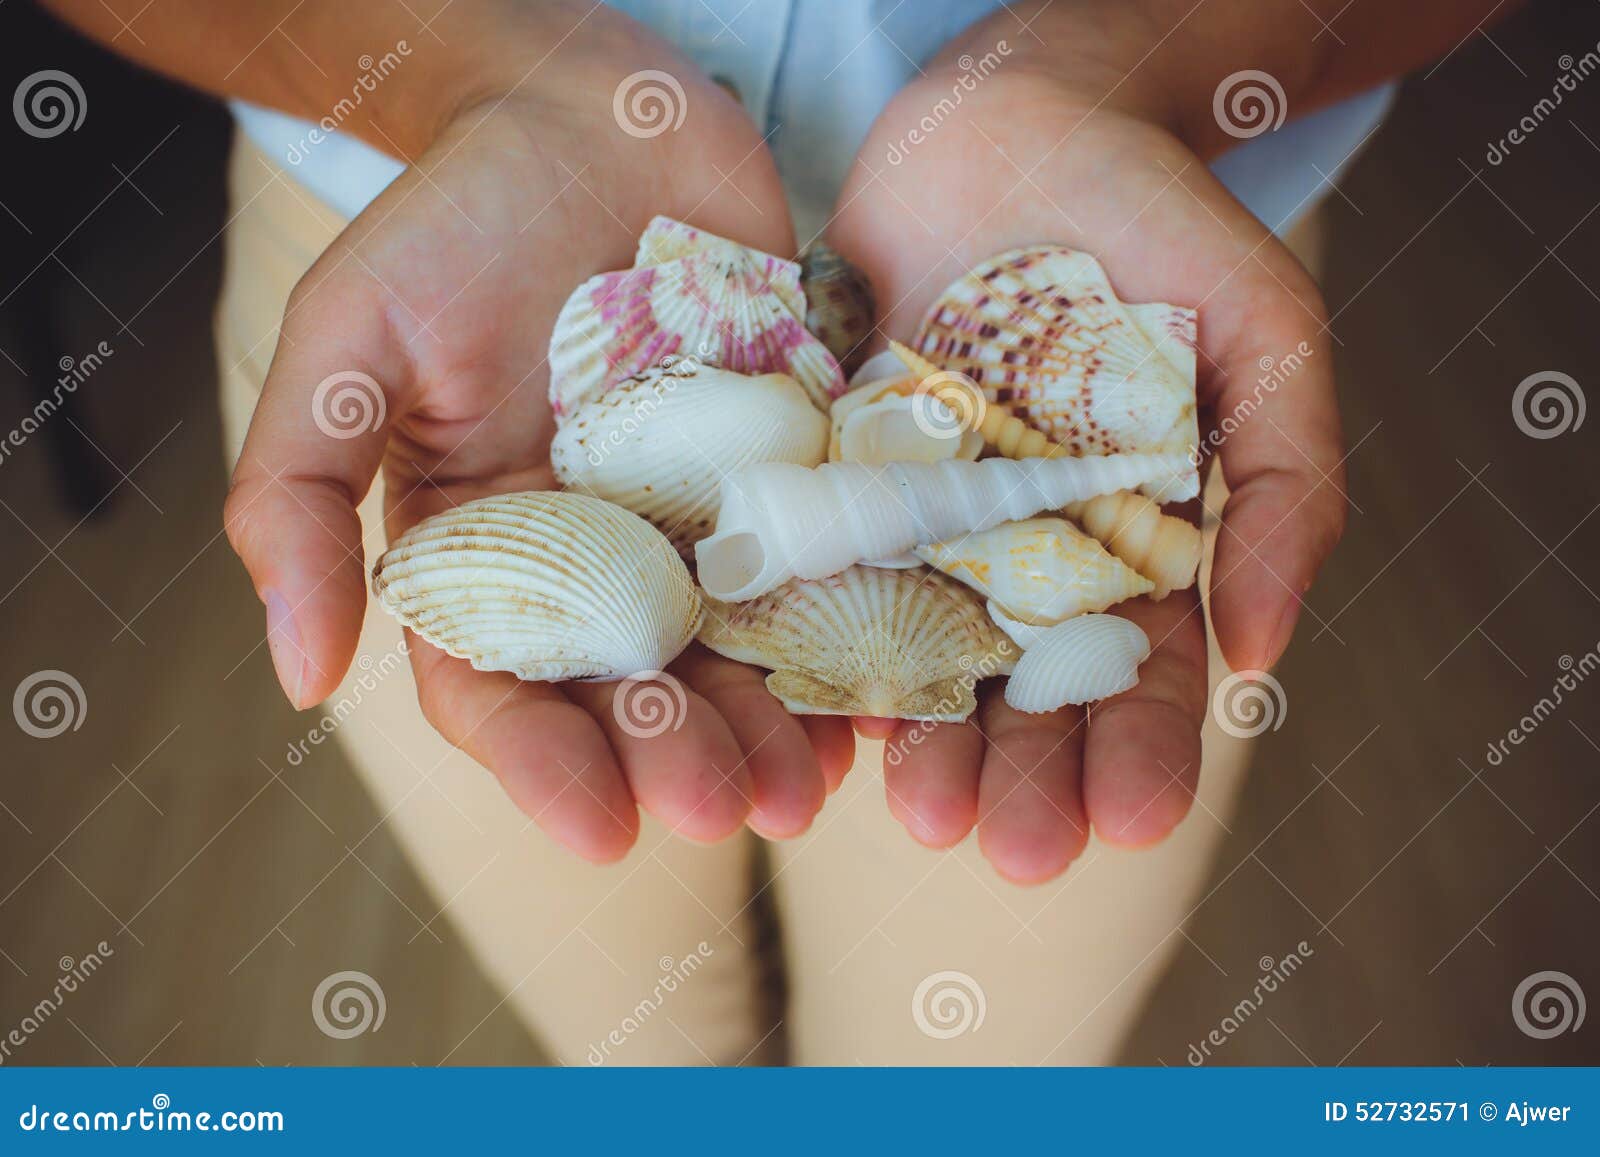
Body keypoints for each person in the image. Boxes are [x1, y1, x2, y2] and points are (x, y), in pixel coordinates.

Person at [45, 0, 1516, 1063]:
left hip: (1114, 240)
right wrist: (465, 74)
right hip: (466, 297)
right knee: (636, 1049)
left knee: (970, 1070)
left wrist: (1143, 54)